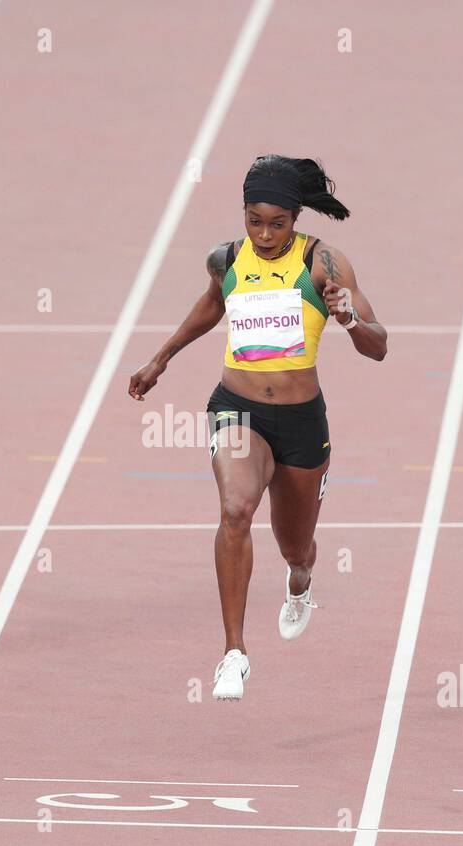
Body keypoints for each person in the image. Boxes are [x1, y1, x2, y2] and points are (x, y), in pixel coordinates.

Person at [128, 155, 387, 700]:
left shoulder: (325, 265)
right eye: (254, 220)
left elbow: (378, 346)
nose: (265, 234)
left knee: (296, 544)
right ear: (243, 215)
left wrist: (348, 319)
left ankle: (300, 580)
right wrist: (161, 359)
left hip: (300, 421)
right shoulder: (226, 260)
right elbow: (210, 307)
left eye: (277, 223)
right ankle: (233, 653)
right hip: (236, 409)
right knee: (235, 510)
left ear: (296, 218)